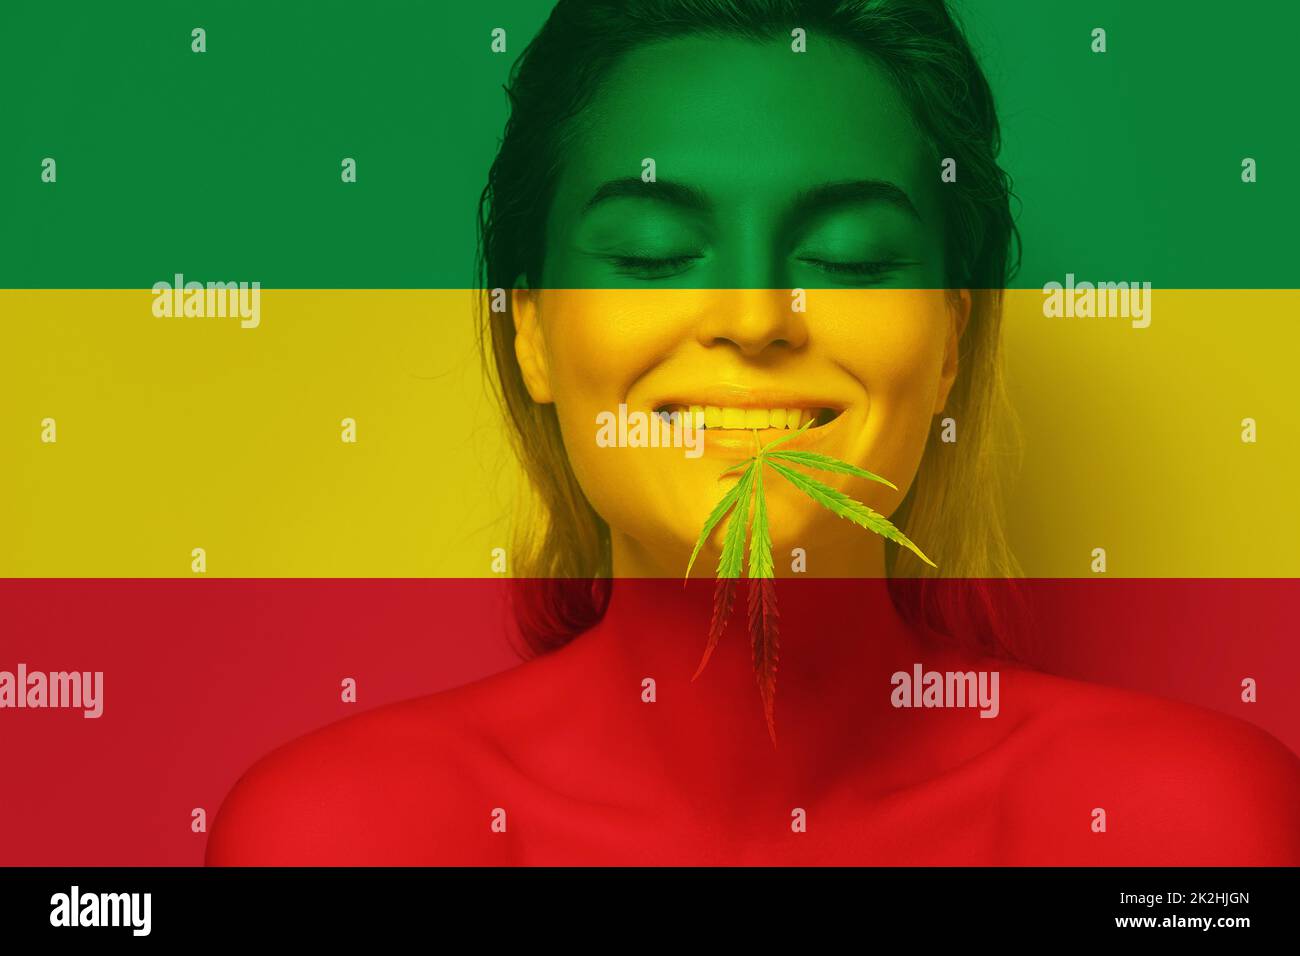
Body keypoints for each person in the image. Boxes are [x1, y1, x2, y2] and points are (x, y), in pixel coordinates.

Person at [207, 0, 1300, 865]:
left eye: (854, 257)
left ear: (950, 338)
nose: (752, 315)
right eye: (647, 254)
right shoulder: (338, 838)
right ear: (531, 329)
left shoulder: (1193, 829)